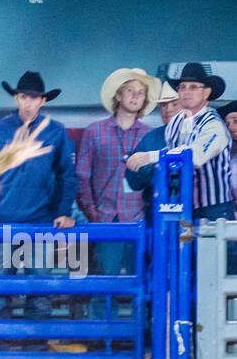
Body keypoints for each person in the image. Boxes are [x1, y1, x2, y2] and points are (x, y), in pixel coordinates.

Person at [0, 71, 77, 329]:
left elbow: (68, 174)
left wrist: (64, 211)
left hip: (41, 221)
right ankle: (1, 357)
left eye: (34, 98)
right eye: (24, 97)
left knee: (39, 294)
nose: (29, 103)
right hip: (2, 222)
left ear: (42, 101)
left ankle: (37, 358)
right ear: (17, 98)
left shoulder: (56, 132)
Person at [76, 67, 159, 321]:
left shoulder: (150, 135)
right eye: (129, 91)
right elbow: (82, 175)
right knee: (104, 283)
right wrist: (92, 212)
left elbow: (155, 181)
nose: (135, 97)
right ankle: (102, 341)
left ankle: (143, 342)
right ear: (118, 96)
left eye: (140, 93)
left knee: (143, 284)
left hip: (139, 220)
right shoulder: (94, 131)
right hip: (107, 218)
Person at [127, 63, 232, 224]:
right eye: (182, 87)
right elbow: (173, 151)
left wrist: (151, 156)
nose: (187, 92)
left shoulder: (214, 125)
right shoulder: (177, 122)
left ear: (206, 92)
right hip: (184, 208)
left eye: (194, 87)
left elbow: (195, 156)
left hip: (213, 210)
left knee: (211, 248)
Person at [126, 82, 182, 219]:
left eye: (174, 104)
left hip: (191, 214)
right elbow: (133, 181)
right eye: (163, 105)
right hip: (156, 214)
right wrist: (151, 169)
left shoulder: (198, 134)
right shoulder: (151, 138)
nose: (168, 109)